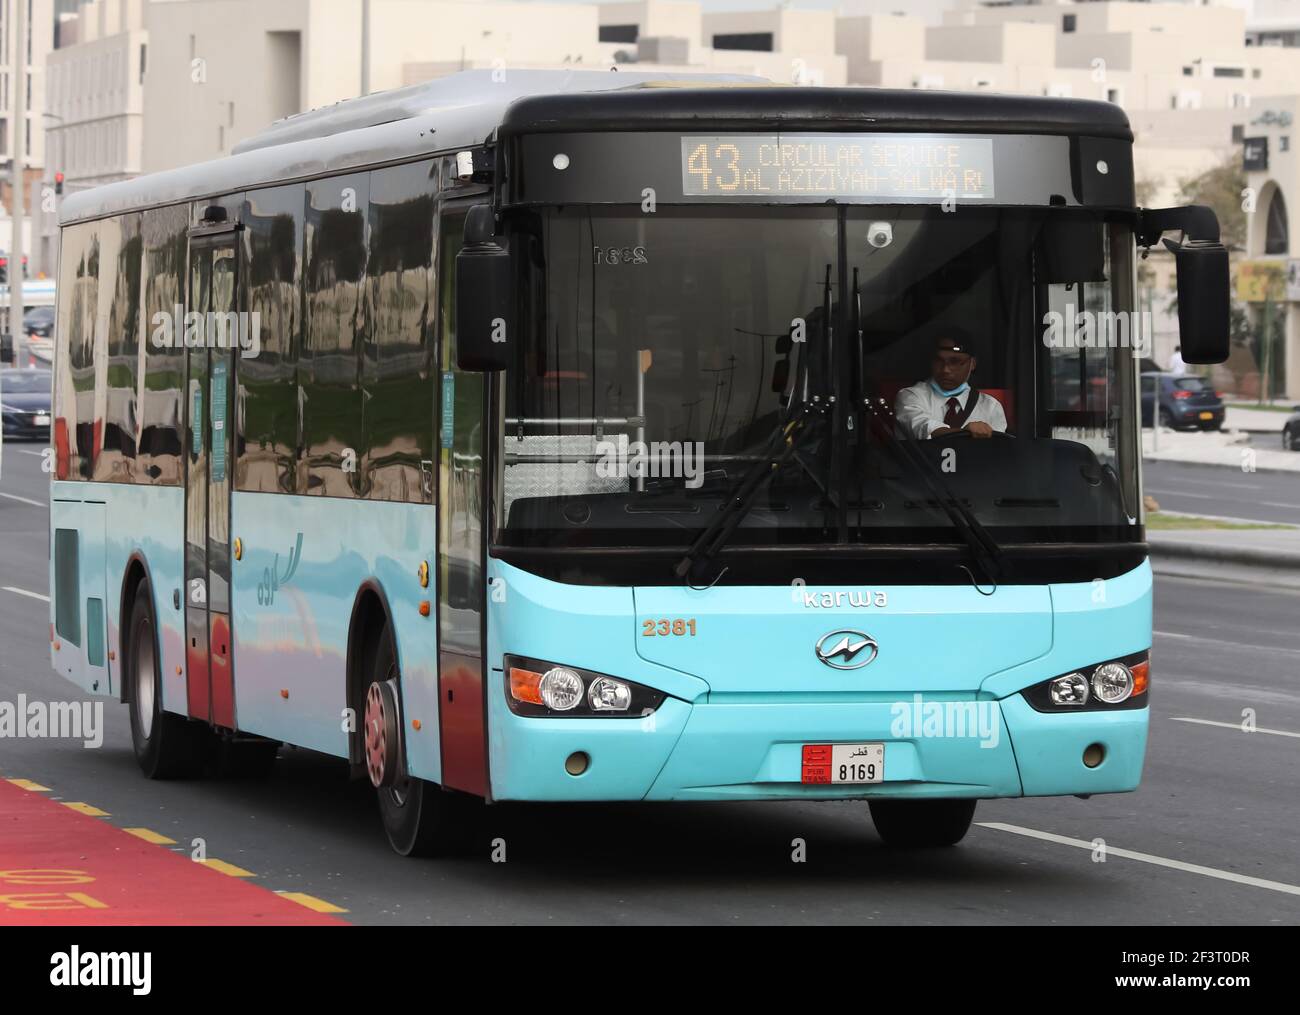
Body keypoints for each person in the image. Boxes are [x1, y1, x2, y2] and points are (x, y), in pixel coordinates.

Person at [894, 331, 1007, 439]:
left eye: (955, 362)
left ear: (972, 363)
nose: (945, 370)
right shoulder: (911, 396)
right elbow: (923, 428)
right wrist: (965, 434)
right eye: (939, 360)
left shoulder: (990, 407)